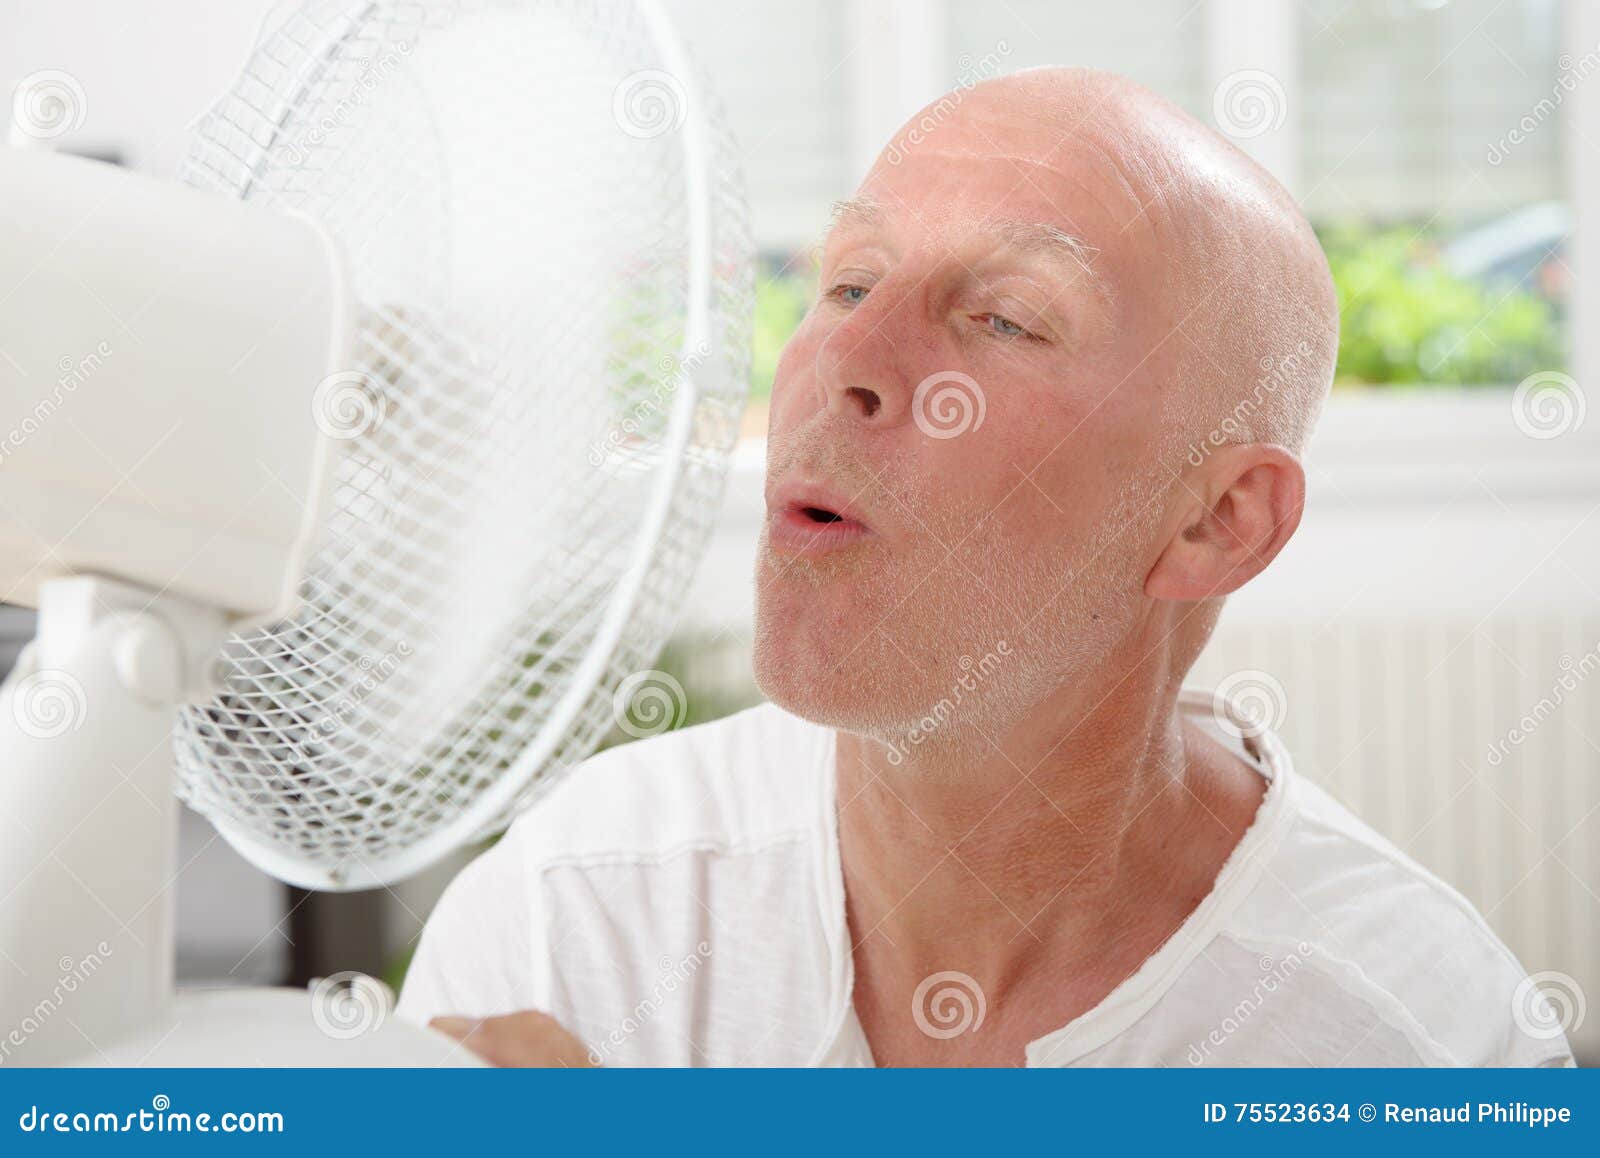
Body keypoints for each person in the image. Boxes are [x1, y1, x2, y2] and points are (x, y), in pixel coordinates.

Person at [398, 68, 1573, 1067]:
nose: (842, 356)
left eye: (1004, 319)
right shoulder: (580, 915)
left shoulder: (1415, 1042)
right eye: (849, 282)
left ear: (1216, 523)